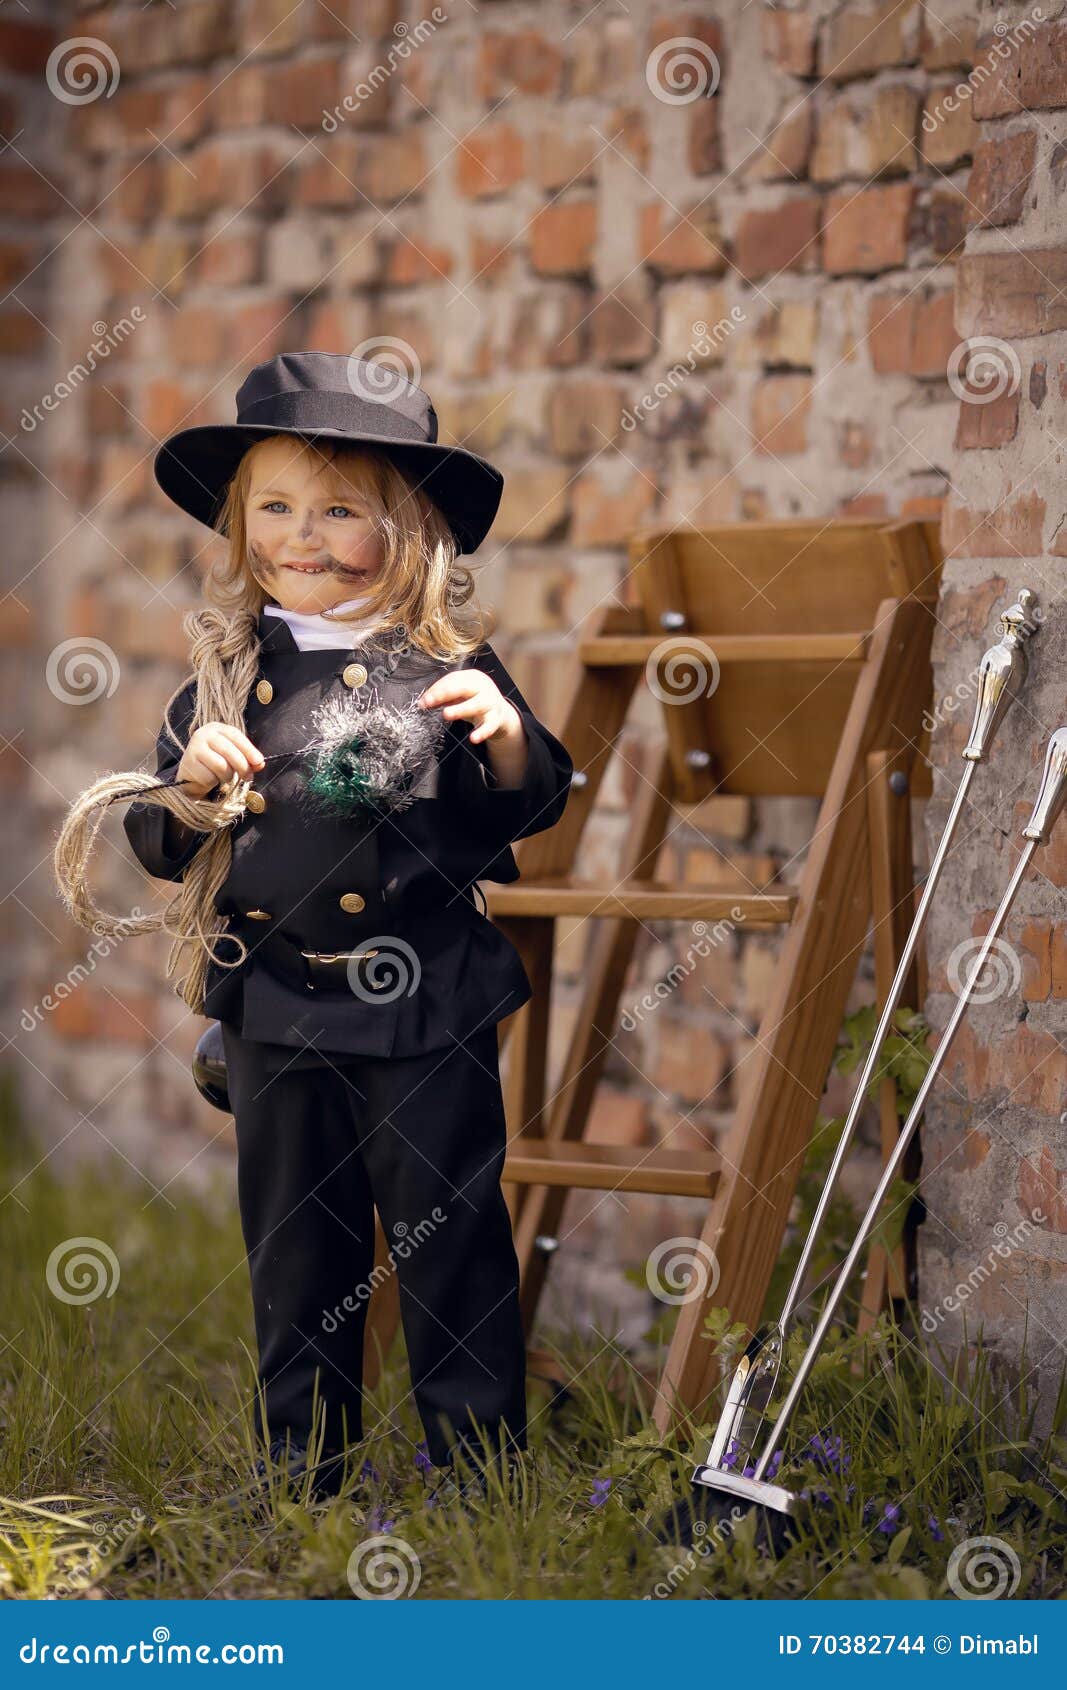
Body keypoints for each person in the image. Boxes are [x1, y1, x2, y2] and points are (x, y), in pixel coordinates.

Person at [55, 351, 574, 1506]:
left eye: (340, 508)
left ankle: (480, 1475)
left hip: (422, 1003)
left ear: (411, 528)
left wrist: (501, 732)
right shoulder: (228, 675)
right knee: (298, 1250)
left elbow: (527, 807)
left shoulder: (446, 666)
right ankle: (303, 1470)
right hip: (276, 1006)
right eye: (276, 508)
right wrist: (188, 784)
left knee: (448, 1239)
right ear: (243, 527)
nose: (304, 534)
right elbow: (159, 843)